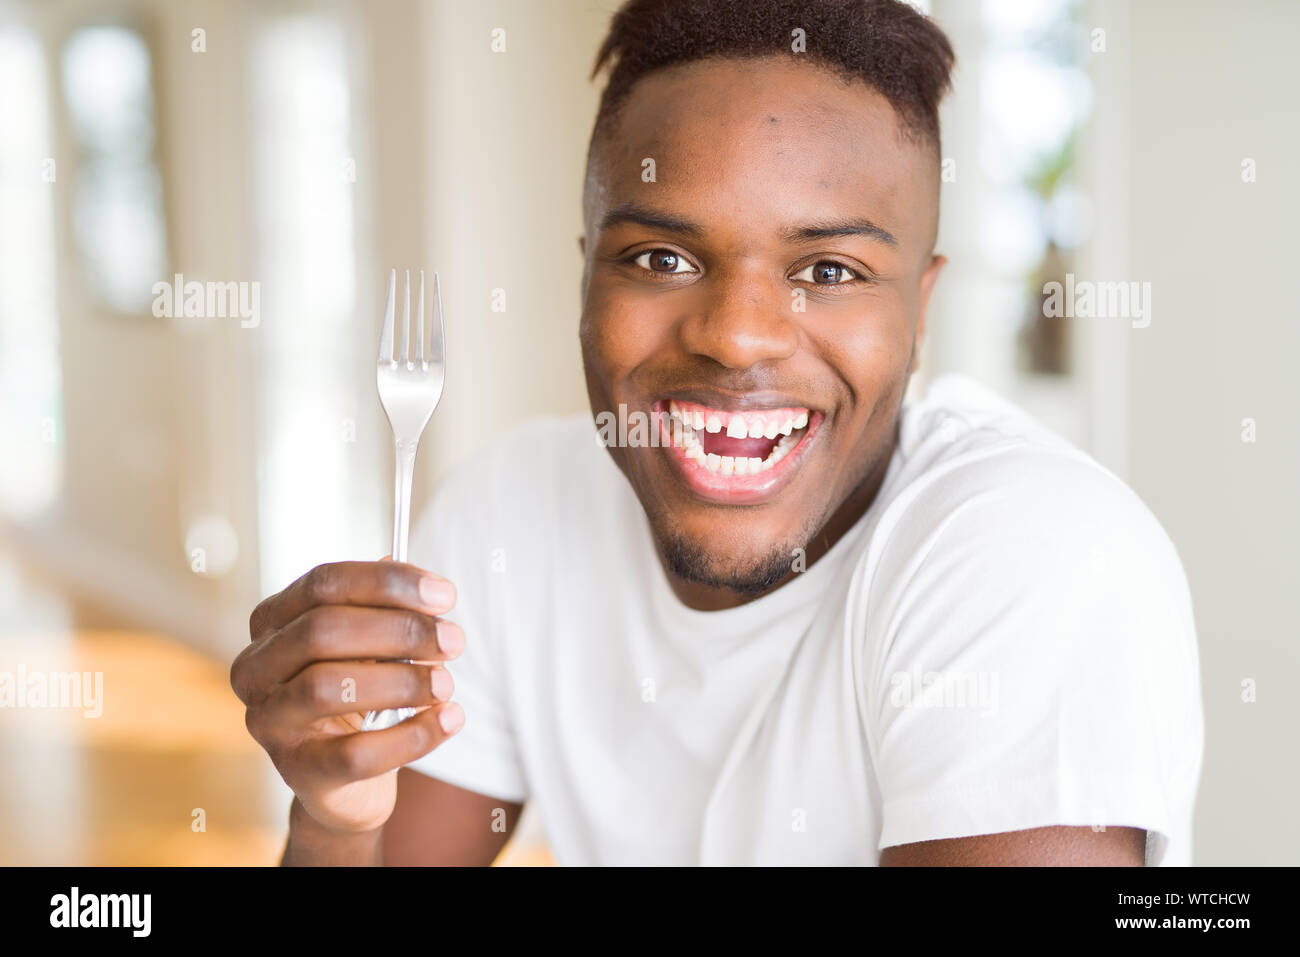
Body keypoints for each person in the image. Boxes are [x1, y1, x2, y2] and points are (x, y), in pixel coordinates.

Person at [232, 0, 1203, 866]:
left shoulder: (1030, 550)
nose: (737, 336)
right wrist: (336, 816)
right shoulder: (506, 512)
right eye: (659, 256)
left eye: (828, 271)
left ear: (921, 308)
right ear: (587, 279)